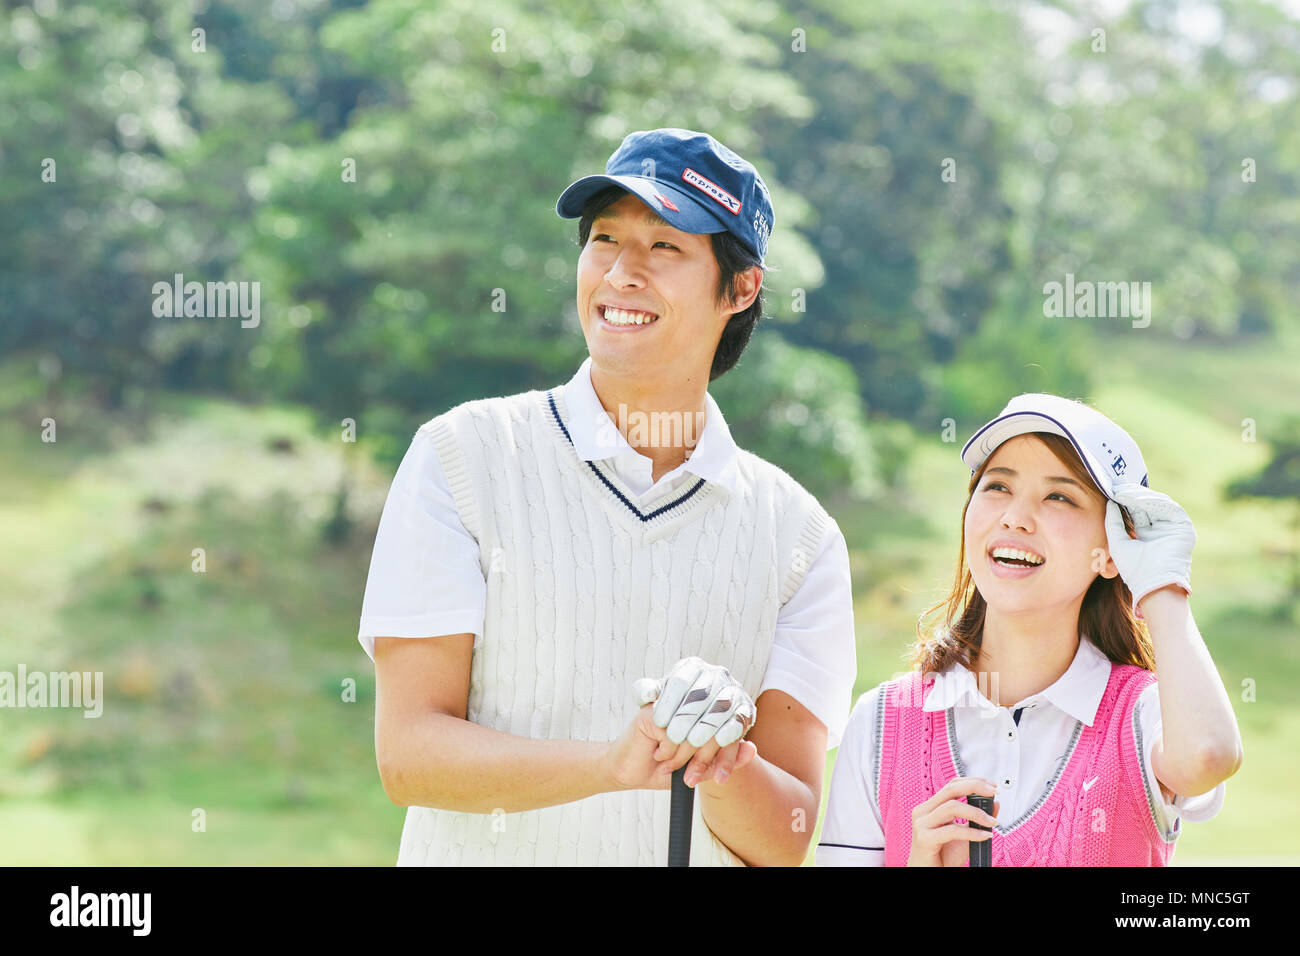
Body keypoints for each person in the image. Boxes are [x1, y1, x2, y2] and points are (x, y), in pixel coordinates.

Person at [357, 128, 856, 865]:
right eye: (603, 239)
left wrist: (722, 760)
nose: (622, 272)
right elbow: (410, 756)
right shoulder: (461, 457)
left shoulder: (800, 538)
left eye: (664, 248)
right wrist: (612, 764)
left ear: (741, 287)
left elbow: (784, 840)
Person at [817, 393, 1243, 866]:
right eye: (997, 487)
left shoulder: (1142, 718)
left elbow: (1207, 756)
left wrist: (1161, 584)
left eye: (1058, 496)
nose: (1015, 518)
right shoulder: (880, 721)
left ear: (1112, 549)